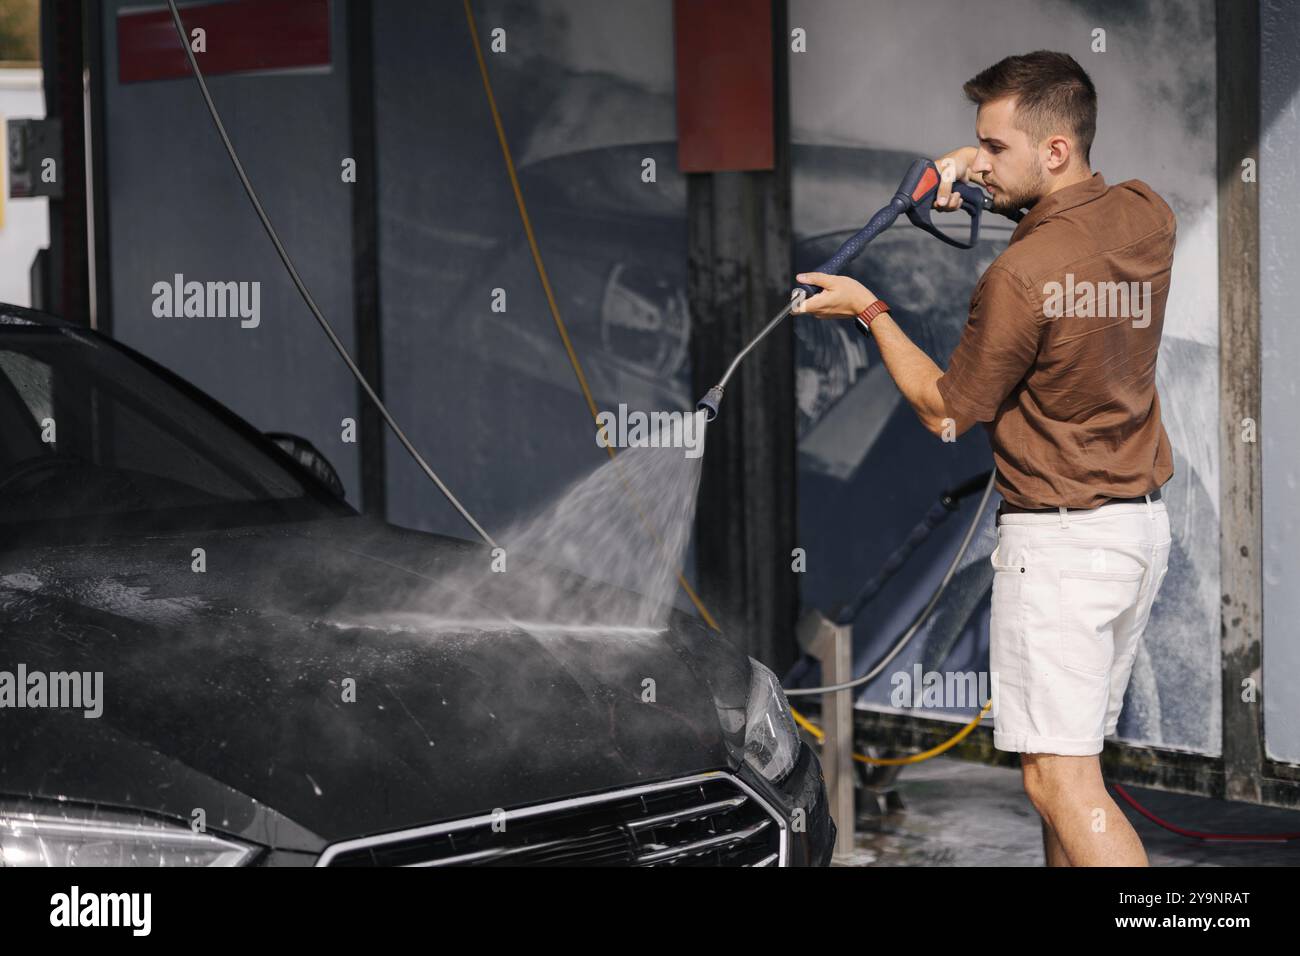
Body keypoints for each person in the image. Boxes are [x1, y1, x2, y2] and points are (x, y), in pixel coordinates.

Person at [793, 50, 1175, 866]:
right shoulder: (1148, 216)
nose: (981, 163)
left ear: (1055, 150)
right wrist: (985, 175)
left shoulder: (1017, 276)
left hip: (1063, 552)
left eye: (995, 148)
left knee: (1059, 789)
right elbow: (1067, 235)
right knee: (1067, 775)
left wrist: (869, 309)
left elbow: (945, 409)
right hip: (1134, 538)